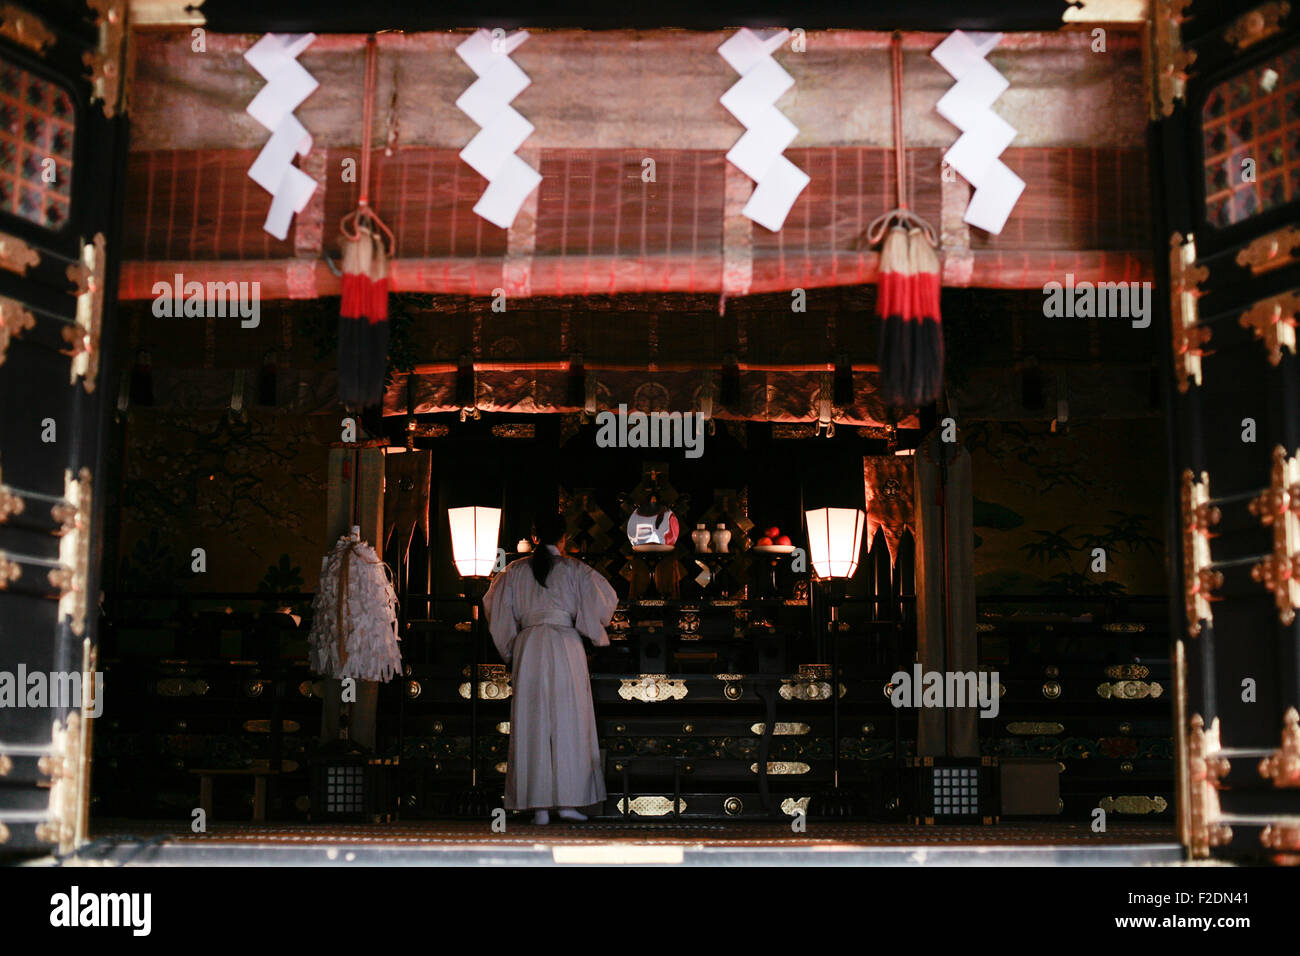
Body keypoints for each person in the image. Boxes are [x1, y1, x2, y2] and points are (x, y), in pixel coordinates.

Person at [483, 512, 617, 825]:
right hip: (565, 644)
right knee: (569, 719)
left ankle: (538, 806)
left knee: (533, 721)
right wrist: (590, 630)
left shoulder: (514, 571)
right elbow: (605, 601)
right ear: (563, 538)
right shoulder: (575, 569)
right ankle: (569, 802)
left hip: (530, 646)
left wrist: (511, 647)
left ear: (535, 536)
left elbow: (495, 610)